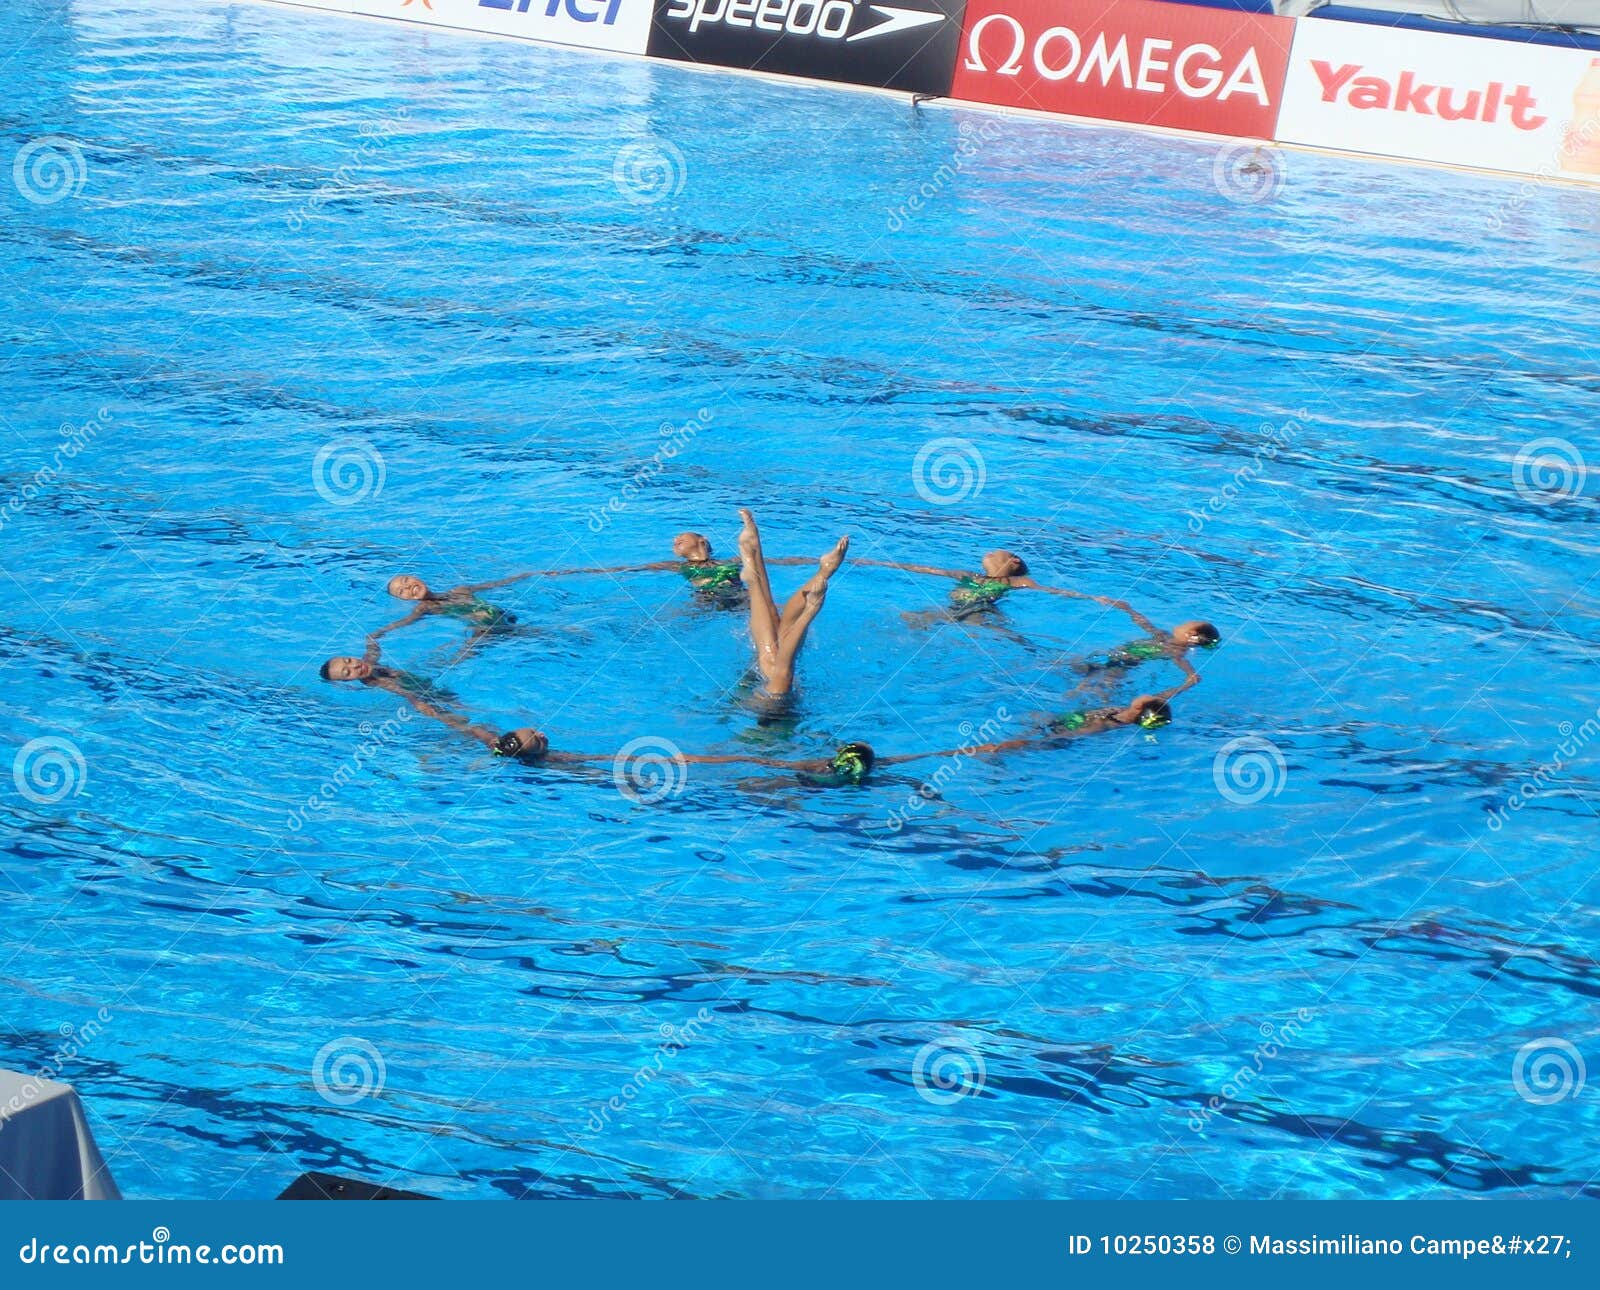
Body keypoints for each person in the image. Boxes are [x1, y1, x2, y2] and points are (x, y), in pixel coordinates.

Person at [736, 508, 849, 701]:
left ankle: (823, 573)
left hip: (774, 703)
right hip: (775, 702)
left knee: (775, 647)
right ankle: (754, 568)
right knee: (775, 663)